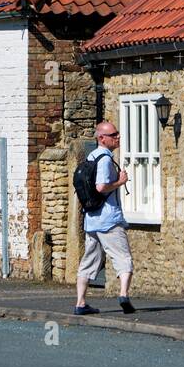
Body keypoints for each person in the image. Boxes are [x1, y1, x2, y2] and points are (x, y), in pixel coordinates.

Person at [74, 120, 136, 315]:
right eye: (113, 135)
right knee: (123, 258)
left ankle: (80, 303)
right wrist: (120, 181)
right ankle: (124, 294)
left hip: (91, 219)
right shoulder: (105, 159)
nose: (117, 137)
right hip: (108, 219)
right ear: (101, 138)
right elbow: (101, 187)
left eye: (117, 133)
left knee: (89, 261)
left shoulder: (91, 157)